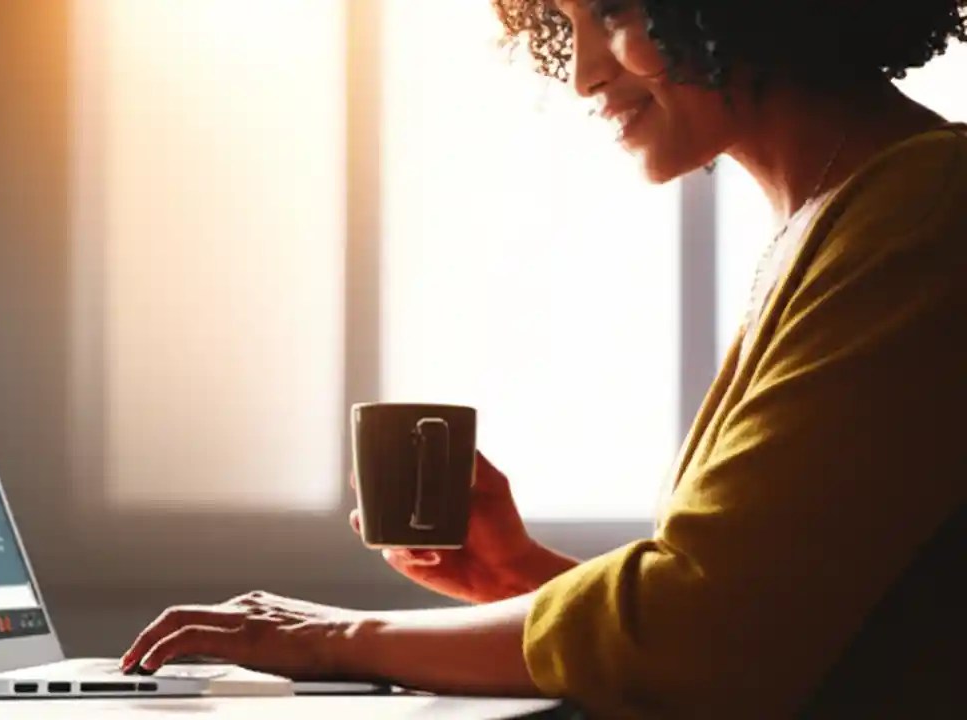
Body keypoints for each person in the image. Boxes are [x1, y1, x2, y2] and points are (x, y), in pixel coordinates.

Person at [120, 1, 967, 716]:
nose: (583, 73)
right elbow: (770, 612)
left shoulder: (928, 209)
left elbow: (707, 636)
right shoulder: (849, 212)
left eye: (612, 11)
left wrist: (335, 639)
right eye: (565, 22)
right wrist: (519, 574)